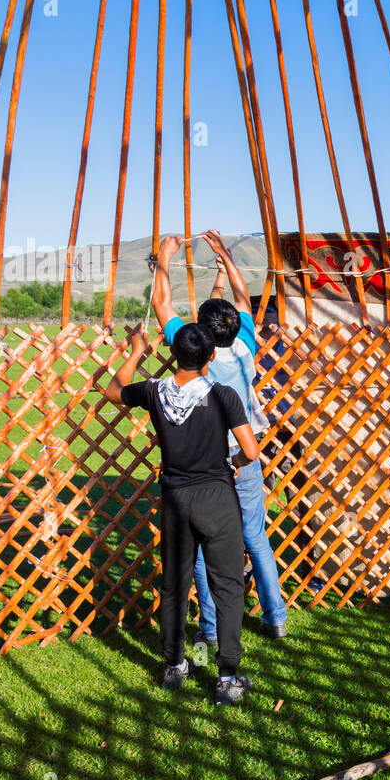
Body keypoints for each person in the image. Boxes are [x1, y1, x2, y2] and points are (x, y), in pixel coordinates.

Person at [105, 239, 259, 706]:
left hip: (174, 496)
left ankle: (174, 665)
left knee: (175, 583)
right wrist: (229, 464)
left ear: (174, 354)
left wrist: (135, 349)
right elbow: (250, 452)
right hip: (216, 495)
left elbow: (113, 393)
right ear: (209, 357)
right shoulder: (223, 396)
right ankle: (228, 677)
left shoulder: (153, 392)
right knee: (227, 583)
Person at [150, 230, 289, 644]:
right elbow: (245, 301)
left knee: (203, 547)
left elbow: (161, 303)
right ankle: (275, 617)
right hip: (246, 455)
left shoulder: (197, 354)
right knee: (254, 536)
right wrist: (226, 257)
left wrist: (164, 257)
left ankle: (211, 630)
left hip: (208, 461)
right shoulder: (245, 342)